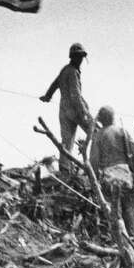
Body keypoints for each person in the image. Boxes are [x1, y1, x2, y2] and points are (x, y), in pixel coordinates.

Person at [40, 43, 95, 173]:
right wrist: (84, 113)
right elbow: (75, 95)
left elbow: (55, 84)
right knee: (95, 134)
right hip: (74, 108)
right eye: (78, 56)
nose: (80, 59)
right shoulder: (73, 71)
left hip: (63, 110)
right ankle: (99, 164)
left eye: (81, 56)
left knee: (66, 142)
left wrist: (47, 97)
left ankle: (65, 170)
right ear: (73, 57)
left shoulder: (65, 70)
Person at [89, 106, 134, 235]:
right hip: (126, 174)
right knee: (129, 209)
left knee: (114, 210)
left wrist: (94, 180)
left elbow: (94, 160)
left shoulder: (99, 135)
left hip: (109, 175)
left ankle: (119, 239)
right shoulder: (123, 131)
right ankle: (133, 237)